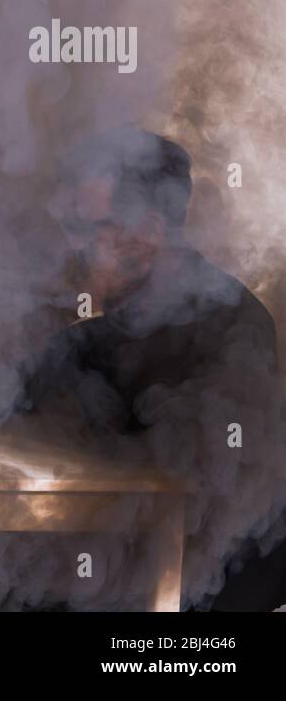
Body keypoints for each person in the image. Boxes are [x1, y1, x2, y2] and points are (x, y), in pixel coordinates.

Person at [18, 127, 286, 610]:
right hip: (116, 567)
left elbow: (193, 498)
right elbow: (24, 401)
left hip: (203, 589)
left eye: (87, 229)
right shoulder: (100, 329)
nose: (72, 248)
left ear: (146, 234)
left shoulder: (232, 326)